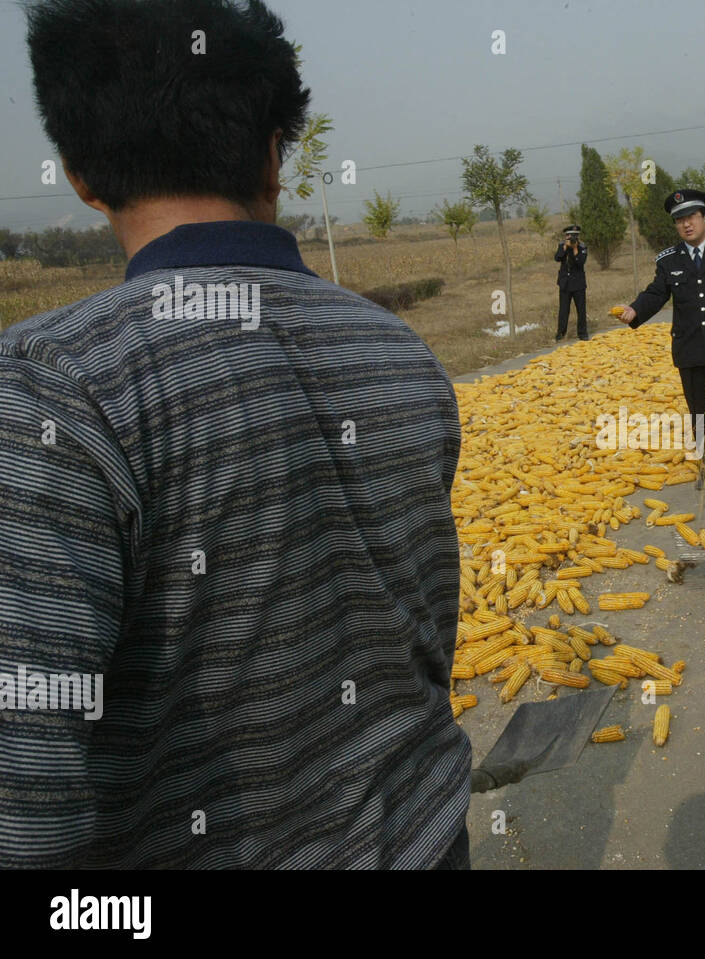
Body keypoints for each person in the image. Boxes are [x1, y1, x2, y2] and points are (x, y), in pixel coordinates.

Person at [1, 0, 471, 868]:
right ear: (272, 156)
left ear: (78, 173)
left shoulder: (54, 387)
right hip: (428, 836)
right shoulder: (399, 351)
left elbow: (25, 808)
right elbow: (423, 636)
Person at [613, 189, 705, 489]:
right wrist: (634, 310)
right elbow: (656, 292)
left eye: (692, 217)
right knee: (699, 414)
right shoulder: (669, 260)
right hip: (689, 350)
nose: (686, 224)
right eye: (680, 220)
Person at [554, 224, 588, 340]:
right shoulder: (561, 245)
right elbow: (557, 258)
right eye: (569, 236)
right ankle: (560, 334)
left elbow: (580, 262)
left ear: (577, 236)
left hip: (578, 283)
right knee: (563, 310)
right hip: (565, 283)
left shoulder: (582, 247)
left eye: (574, 236)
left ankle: (582, 333)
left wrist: (574, 249)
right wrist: (564, 248)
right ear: (566, 236)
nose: (571, 238)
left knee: (581, 310)